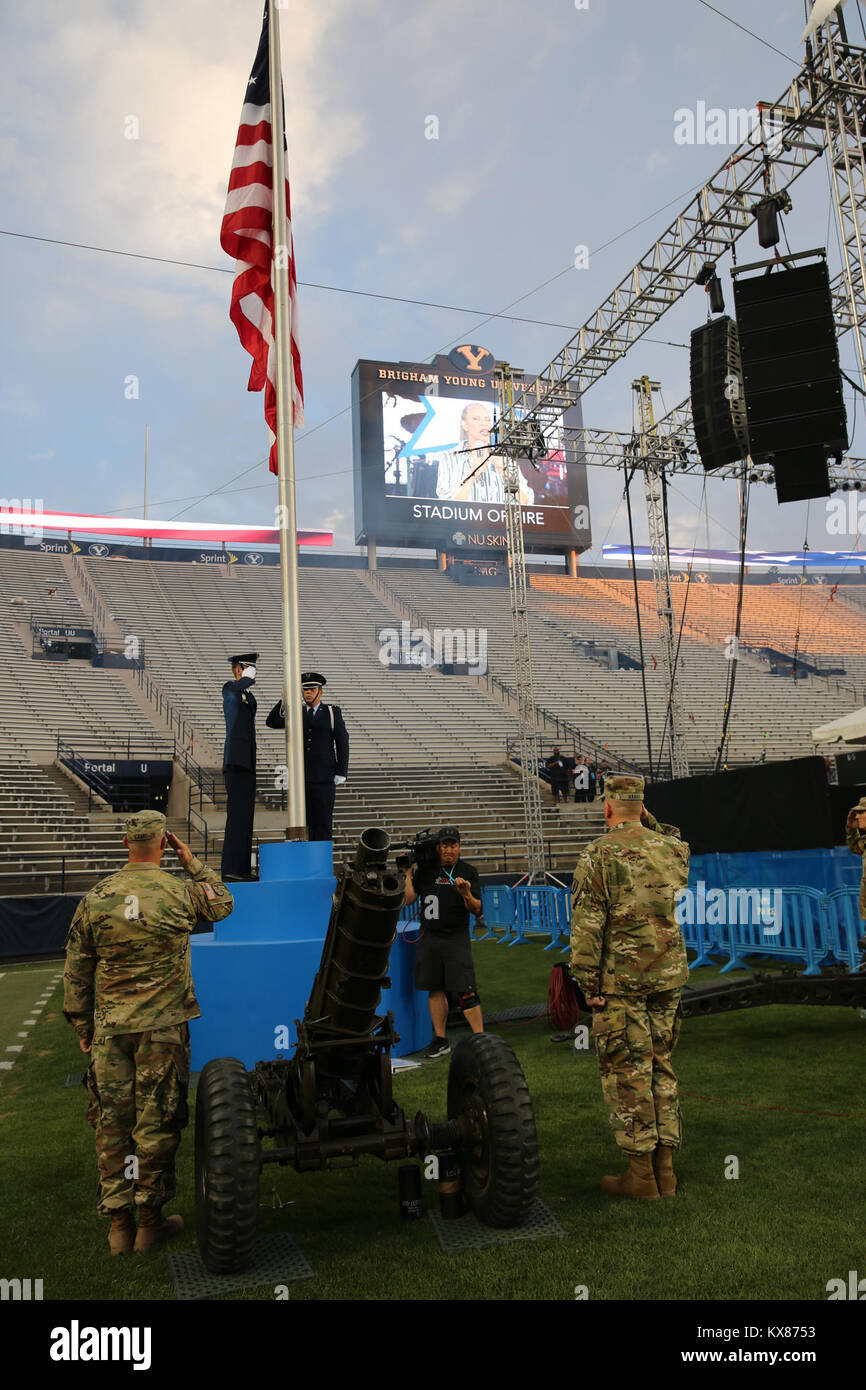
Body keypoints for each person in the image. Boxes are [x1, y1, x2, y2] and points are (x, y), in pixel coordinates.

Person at [62, 811, 234, 1254]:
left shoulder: (97, 897)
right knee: (154, 1126)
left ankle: (119, 1226)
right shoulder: (179, 889)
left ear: (125, 842)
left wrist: (83, 1026)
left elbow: (77, 971)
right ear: (164, 843)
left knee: (112, 1125)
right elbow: (222, 903)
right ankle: (150, 1223)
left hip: (111, 1031)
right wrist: (192, 861)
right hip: (162, 1031)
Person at [569, 775, 690, 1201]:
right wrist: (642, 817)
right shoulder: (673, 850)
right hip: (667, 976)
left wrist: (586, 982)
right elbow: (670, 835)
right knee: (661, 1066)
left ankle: (640, 1176)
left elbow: (587, 927)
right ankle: (666, 1172)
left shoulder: (597, 855)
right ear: (641, 807)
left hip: (621, 981)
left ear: (606, 808)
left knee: (628, 1071)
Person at [403, 827, 483, 1060]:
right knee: (434, 988)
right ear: (438, 848)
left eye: (453, 845)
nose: (449, 850)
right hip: (429, 936)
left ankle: (480, 1039)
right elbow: (409, 898)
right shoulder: (426, 870)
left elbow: (476, 909)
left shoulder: (468, 871)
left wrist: (466, 893)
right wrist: (407, 874)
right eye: (444, 845)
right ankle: (440, 1039)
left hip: (455, 936)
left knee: (466, 989)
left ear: (459, 847)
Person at [266, 670, 349, 841]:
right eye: (305, 690)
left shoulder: (332, 712)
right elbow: (272, 722)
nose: (308, 693)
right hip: (301, 779)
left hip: (324, 779)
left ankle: (322, 864)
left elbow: (342, 743)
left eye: (312, 689)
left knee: (323, 824)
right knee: (304, 825)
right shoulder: (297, 712)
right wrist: (285, 698)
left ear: (320, 691)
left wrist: (342, 771)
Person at [433, 403, 534, 505]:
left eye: (487, 420)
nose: (484, 424)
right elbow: (446, 503)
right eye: (476, 419)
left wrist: (506, 473)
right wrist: (472, 473)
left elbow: (526, 502)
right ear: (465, 425)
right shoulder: (450, 458)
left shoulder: (505, 459)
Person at [221, 651, 258, 881]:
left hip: (248, 761)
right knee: (236, 817)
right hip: (236, 760)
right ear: (238, 669)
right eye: (246, 668)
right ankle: (231, 868)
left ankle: (242, 868)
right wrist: (244, 680)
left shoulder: (248, 696)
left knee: (246, 818)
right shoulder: (230, 689)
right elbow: (233, 696)